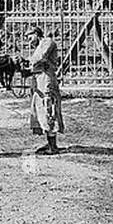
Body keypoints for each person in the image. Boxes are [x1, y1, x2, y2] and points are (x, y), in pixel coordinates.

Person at [23, 24, 65, 155]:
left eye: (29, 37)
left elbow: (40, 58)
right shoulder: (38, 46)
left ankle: (53, 147)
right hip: (39, 81)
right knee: (41, 111)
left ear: (36, 33)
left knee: (48, 109)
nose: (28, 41)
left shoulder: (48, 42)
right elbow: (36, 65)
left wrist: (27, 62)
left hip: (47, 80)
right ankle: (50, 142)